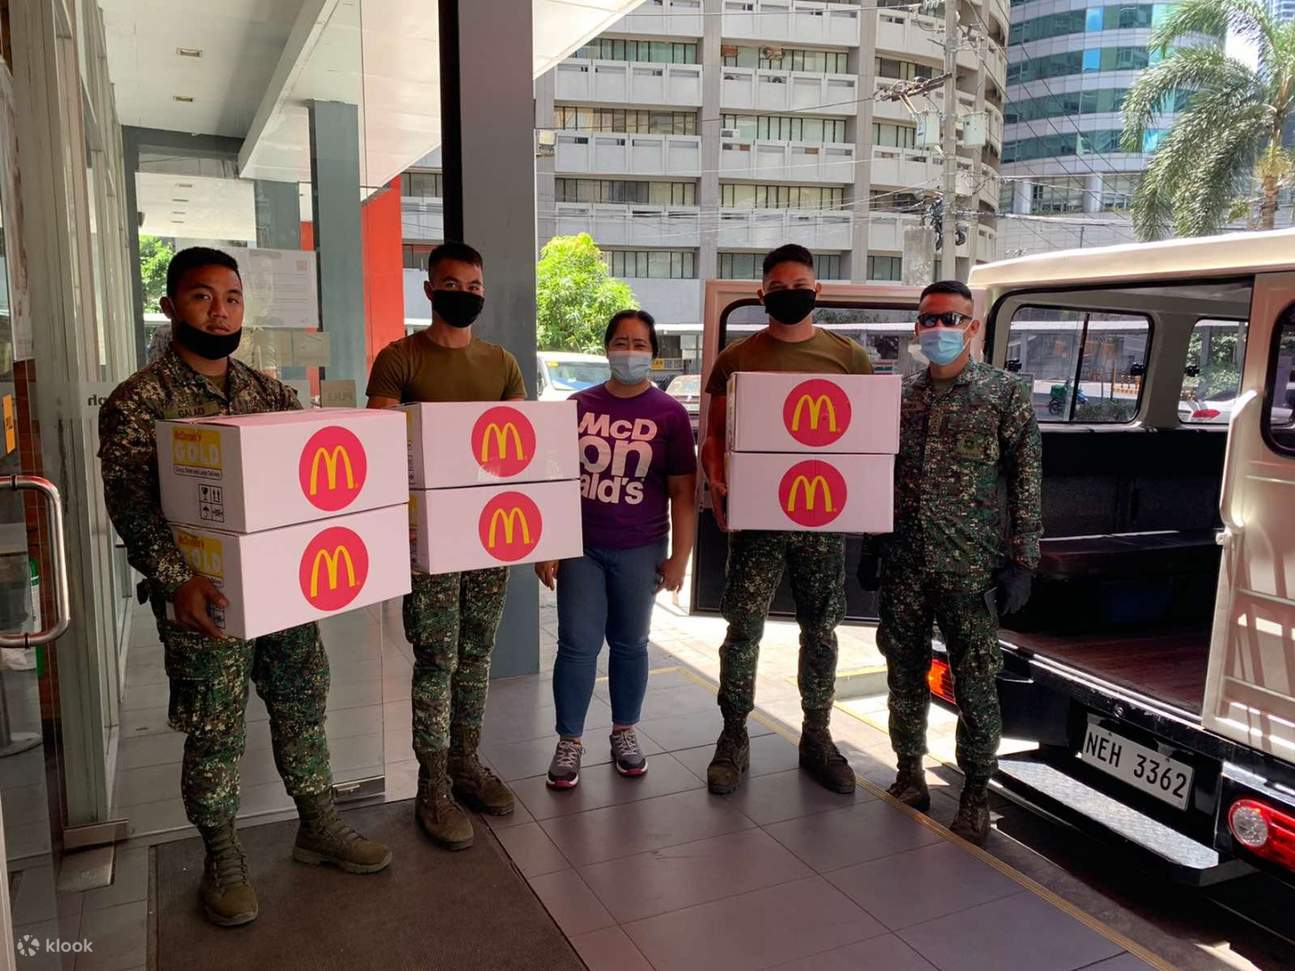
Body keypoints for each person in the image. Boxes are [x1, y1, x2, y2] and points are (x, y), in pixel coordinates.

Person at [99, 247, 390, 928]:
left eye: (231, 297)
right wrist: (177, 583)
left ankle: (316, 821)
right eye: (202, 296)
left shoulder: (268, 392)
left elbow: (305, 485)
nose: (220, 310)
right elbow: (133, 509)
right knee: (215, 727)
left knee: (301, 701)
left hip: (282, 590)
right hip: (204, 598)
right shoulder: (139, 400)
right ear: (171, 306)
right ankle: (221, 854)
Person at [857, 279, 1042, 845]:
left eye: (951, 319)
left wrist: (1022, 563)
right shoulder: (901, 397)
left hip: (971, 571)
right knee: (903, 676)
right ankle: (909, 773)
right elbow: (876, 476)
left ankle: (975, 793)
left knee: (976, 684)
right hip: (906, 566)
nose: (939, 329)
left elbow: (1027, 480)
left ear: (973, 327)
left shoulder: (1004, 394)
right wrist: (871, 545)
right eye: (929, 320)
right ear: (917, 328)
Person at [366, 241, 525, 850]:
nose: (465, 293)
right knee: (437, 658)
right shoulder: (400, 358)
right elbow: (383, 449)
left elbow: (519, 453)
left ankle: (466, 762)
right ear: (429, 290)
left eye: (475, 285)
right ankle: (431, 783)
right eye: (452, 284)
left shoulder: (502, 362)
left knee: (477, 655)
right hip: (428, 539)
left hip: (488, 535)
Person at [700, 243, 873, 796]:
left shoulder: (849, 358)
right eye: (778, 287)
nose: (789, 294)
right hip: (757, 523)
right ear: (762, 295)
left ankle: (817, 737)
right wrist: (718, 483)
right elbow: (713, 439)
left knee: (821, 630)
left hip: (821, 522)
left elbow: (865, 443)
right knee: (742, 630)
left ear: (816, 291)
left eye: (799, 284)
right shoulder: (736, 359)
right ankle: (733, 736)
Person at [535, 310, 697, 789]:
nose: (630, 351)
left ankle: (624, 731)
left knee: (630, 645)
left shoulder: (667, 413)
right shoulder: (576, 406)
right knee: (578, 646)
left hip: (641, 549)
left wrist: (680, 559)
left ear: (653, 352)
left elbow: (683, 494)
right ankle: (569, 740)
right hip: (581, 549)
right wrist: (548, 546)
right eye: (621, 341)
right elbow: (553, 484)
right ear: (606, 348)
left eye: (640, 343)